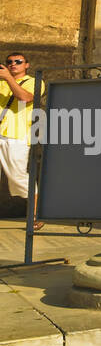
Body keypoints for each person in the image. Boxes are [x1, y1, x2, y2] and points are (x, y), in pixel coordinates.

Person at [0, 52, 42, 224]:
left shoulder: (34, 82)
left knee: (18, 177)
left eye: (18, 61)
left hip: (17, 136)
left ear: (27, 65)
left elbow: (25, 97)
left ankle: (36, 215)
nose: (13, 64)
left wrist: (9, 78)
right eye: (9, 62)